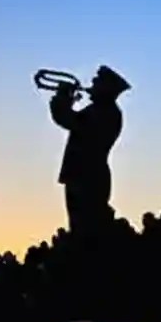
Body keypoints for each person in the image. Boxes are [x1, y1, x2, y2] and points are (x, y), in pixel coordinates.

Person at [49, 65, 130, 237]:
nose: (92, 83)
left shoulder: (106, 113)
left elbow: (70, 121)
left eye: (97, 82)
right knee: (80, 226)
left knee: (86, 228)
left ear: (107, 89)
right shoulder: (99, 111)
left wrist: (62, 98)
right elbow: (70, 120)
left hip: (87, 175)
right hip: (83, 174)